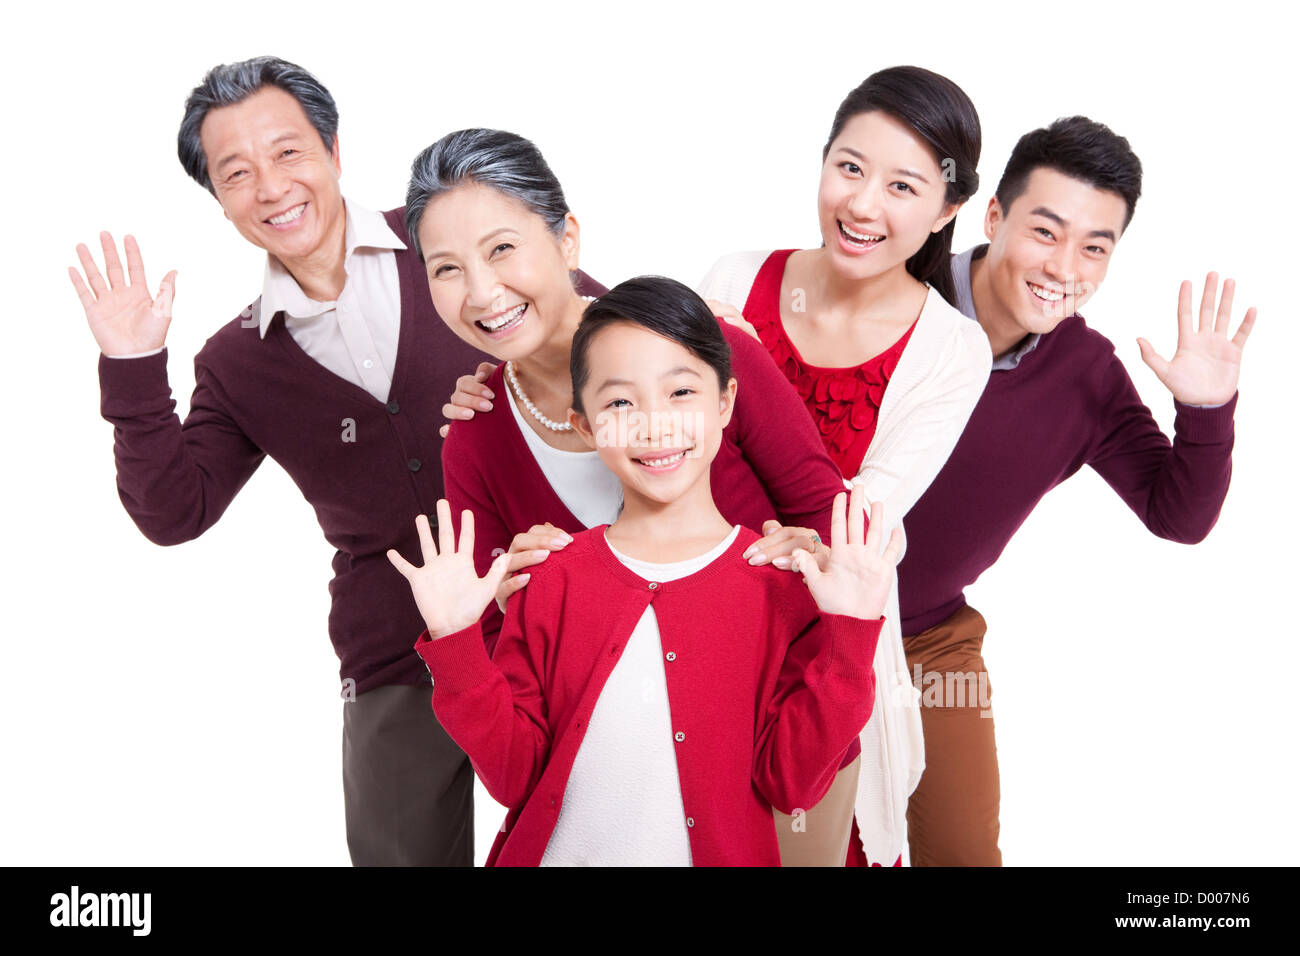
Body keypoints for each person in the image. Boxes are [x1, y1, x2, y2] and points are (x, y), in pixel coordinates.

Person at [66, 56, 600, 866]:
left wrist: (686, 328)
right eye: (236, 173)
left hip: (556, 610)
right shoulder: (238, 361)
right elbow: (174, 512)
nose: (271, 187)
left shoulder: (444, 237)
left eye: (288, 152)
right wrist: (134, 366)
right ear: (219, 200)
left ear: (334, 151)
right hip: (397, 655)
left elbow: (587, 325)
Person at [387, 275, 904, 866]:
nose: (655, 424)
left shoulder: (780, 586)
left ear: (726, 403)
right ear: (584, 425)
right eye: (619, 403)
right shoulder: (550, 579)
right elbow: (513, 776)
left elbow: (793, 784)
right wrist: (456, 641)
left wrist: (851, 636)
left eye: (681, 391)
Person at [896, 115, 1257, 865]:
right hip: (794, 613)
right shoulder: (896, 295)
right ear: (993, 217)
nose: (1066, 268)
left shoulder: (1086, 373)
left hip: (926, 637)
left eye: (1096, 247)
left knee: (964, 851)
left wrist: (1207, 410)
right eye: (1045, 231)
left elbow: (1178, 515)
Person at [692, 66, 992, 866]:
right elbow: (656, 440)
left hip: (823, 652)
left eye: (903, 186)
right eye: (849, 167)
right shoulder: (734, 280)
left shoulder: (951, 350)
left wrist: (743, 379)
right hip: (694, 627)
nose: (862, 205)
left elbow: (853, 525)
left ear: (948, 209)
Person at [404, 128, 851, 663]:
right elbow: (491, 640)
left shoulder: (702, 349)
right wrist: (515, 604)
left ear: (567, 240)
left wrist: (811, 557)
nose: (481, 293)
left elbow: (830, 516)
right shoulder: (476, 435)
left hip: (777, 692)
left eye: (501, 248)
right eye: (447, 268)